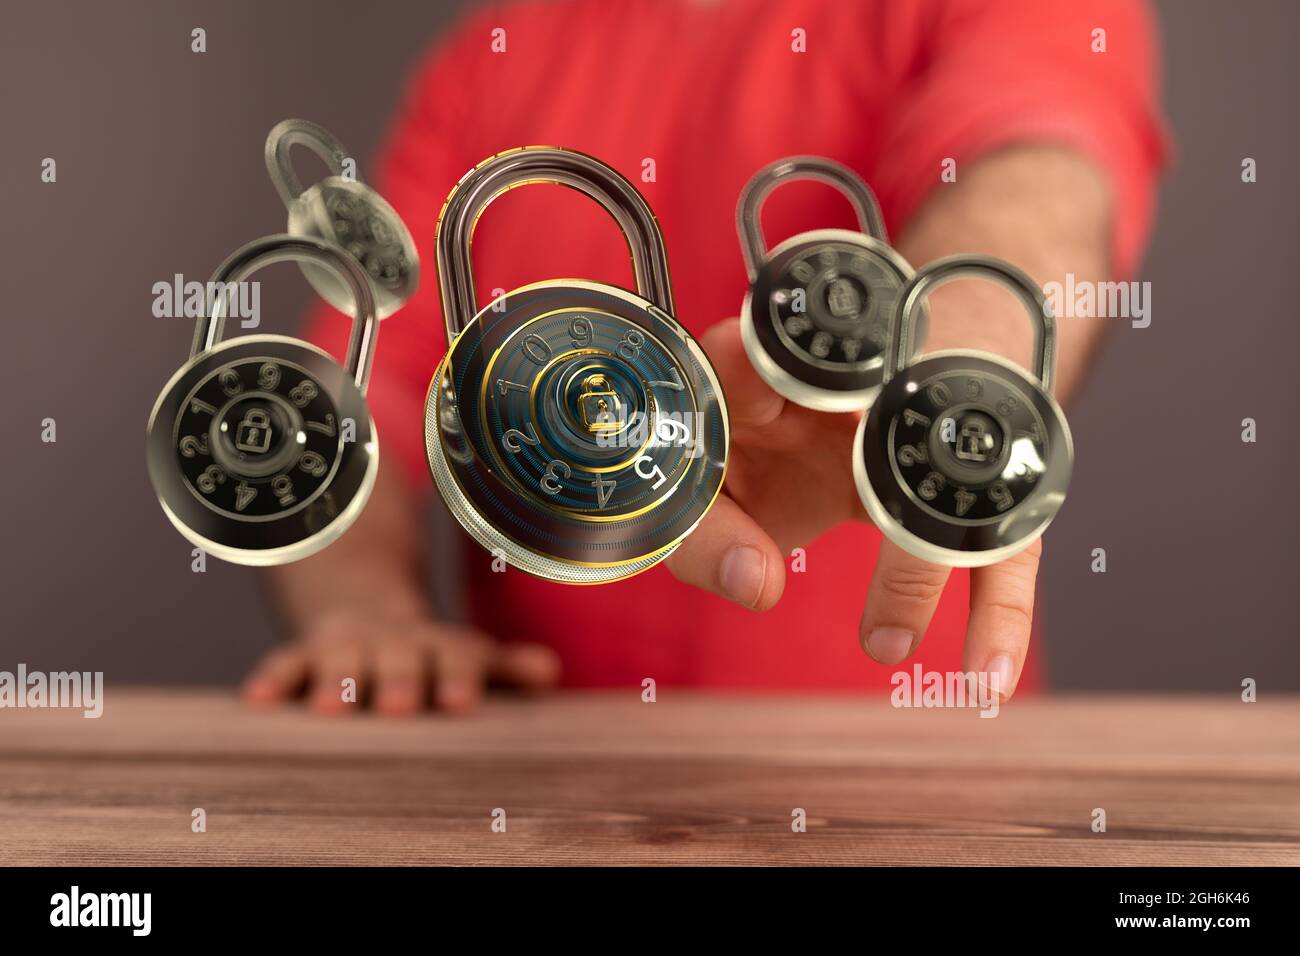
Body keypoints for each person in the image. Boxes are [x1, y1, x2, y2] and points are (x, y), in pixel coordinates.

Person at [245, 0, 1168, 714]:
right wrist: (363, 609)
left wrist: (951, 374)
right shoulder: (494, 53)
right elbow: (367, 387)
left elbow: (1033, 186)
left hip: (921, 803)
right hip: (550, 801)